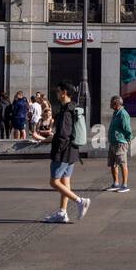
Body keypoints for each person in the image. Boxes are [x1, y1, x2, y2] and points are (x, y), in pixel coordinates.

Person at [43, 81, 91, 224]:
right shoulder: (74, 108)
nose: (57, 93)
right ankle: (63, 213)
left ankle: (80, 201)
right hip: (72, 151)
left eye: (58, 91)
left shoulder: (66, 111)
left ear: (64, 93)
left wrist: (56, 150)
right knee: (65, 181)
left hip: (63, 151)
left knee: (54, 182)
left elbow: (63, 134)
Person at [107, 95, 133, 192]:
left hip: (120, 143)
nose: (110, 104)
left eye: (111, 102)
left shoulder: (123, 114)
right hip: (113, 142)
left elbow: (127, 129)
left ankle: (125, 185)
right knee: (113, 164)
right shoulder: (115, 113)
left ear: (116, 104)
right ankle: (115, 183)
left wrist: (127, 140)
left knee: (122, 163)